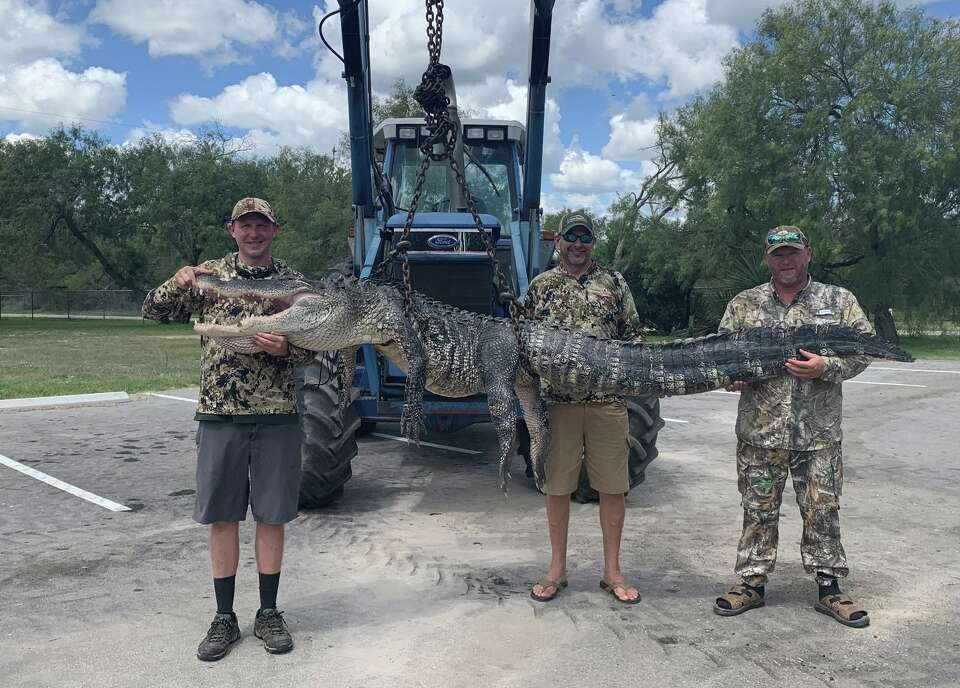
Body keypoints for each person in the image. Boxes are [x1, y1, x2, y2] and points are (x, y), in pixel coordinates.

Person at [143, 197, 315, 660]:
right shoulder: (208, 276)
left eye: (262, 225)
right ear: (231, 230)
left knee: (272, 515)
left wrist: (286, 351)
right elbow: (153, 310)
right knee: (222, 516)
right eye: (246, 226)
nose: (254, 233)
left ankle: (269, 612)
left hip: (278, 413)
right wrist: (176, 278)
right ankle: (223, 617)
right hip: (221, 411)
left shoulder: (294, 285)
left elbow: (314, 346)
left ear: (274, 231)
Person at [714, 225, 872, 628]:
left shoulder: (838, 301)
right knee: (757, 511)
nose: (786, 260)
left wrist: (827, 367)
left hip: (817, 435)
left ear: (808, 254)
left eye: (793, 253)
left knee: (822, 510)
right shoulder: (743, 305)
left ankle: (829, 588)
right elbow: (723, 356)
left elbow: (863, 349)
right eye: (778, 254)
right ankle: (750, 583)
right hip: (760, 433)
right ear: (767, 259)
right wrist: (733, 377)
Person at [524, 212, 644, 605]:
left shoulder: (613, 283)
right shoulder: (541, 287)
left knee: (613, 486)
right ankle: (557, 568)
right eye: (571, 236)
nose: (578, 243)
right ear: (558, 240)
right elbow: (522, 340)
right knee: (556, 486)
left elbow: (634, 336)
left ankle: (612, 571)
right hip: (557, 405)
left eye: (585, 237)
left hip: (607, 403)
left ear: (594, 242)